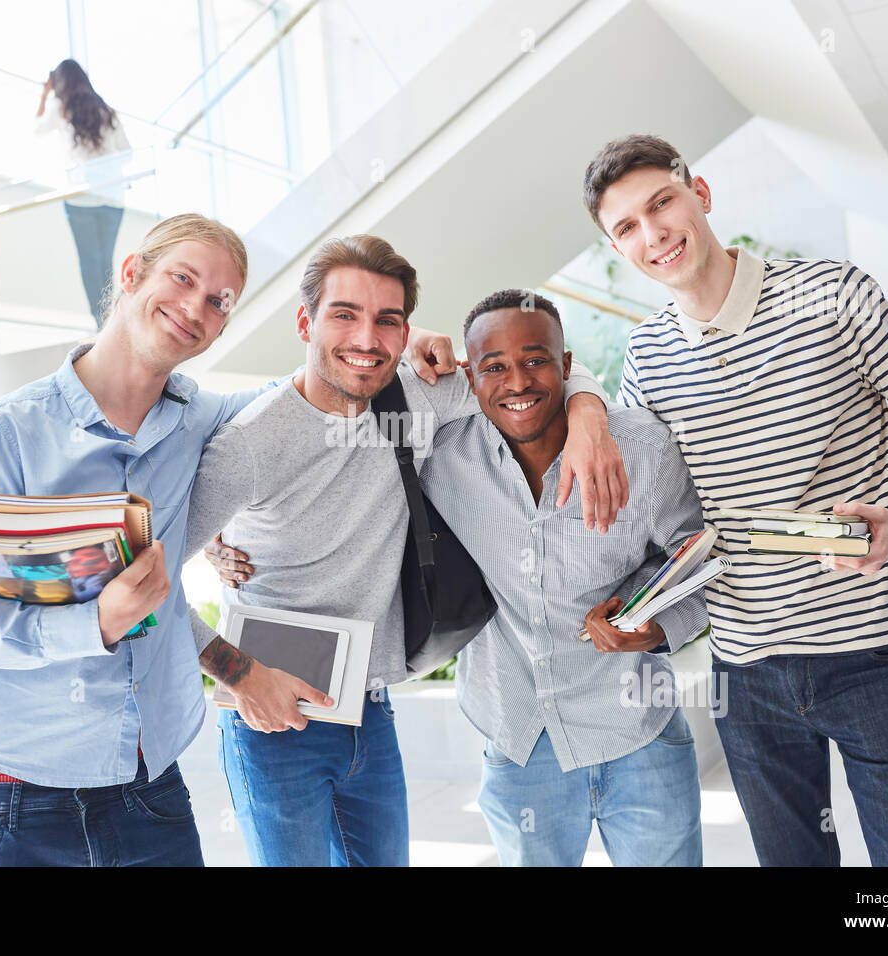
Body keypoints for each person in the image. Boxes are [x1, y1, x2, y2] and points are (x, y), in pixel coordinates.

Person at [0, 213, 461, 867]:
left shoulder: (206, 423)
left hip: (146, 794)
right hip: (5, 803)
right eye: (182, 279)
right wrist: (92, 623)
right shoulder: (1, 435)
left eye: (219, 300)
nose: (196, 306)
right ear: (132, 272)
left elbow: (312, 392)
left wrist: (391, 337)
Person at [212, 289, 709, 867]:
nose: (517, 382)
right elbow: (318, 398)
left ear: (567, 365)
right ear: (469, 378)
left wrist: (660, 625)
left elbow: (695, 560)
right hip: (519, 742)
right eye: (493, 367)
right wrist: (225, 532)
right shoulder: (441, 451)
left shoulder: (642, 447)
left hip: (640, 733)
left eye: (537, 360)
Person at [583, 133, 888, 866]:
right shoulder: (646, 357)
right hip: (746, 672)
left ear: (699, 194)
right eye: (625, 227)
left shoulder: (835, 294)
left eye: (661, 203)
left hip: (876, 651)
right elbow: (665, 518)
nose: (653, 233)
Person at [36, 59, 131, 327]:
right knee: (105, 263)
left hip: (81, 199)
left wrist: (44, 95)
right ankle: (111, 321)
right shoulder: (106, 111)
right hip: (112, 197)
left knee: (90, 264)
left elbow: (37, 129)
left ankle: (102, 324)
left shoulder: (60, 107)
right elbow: (127, 153)